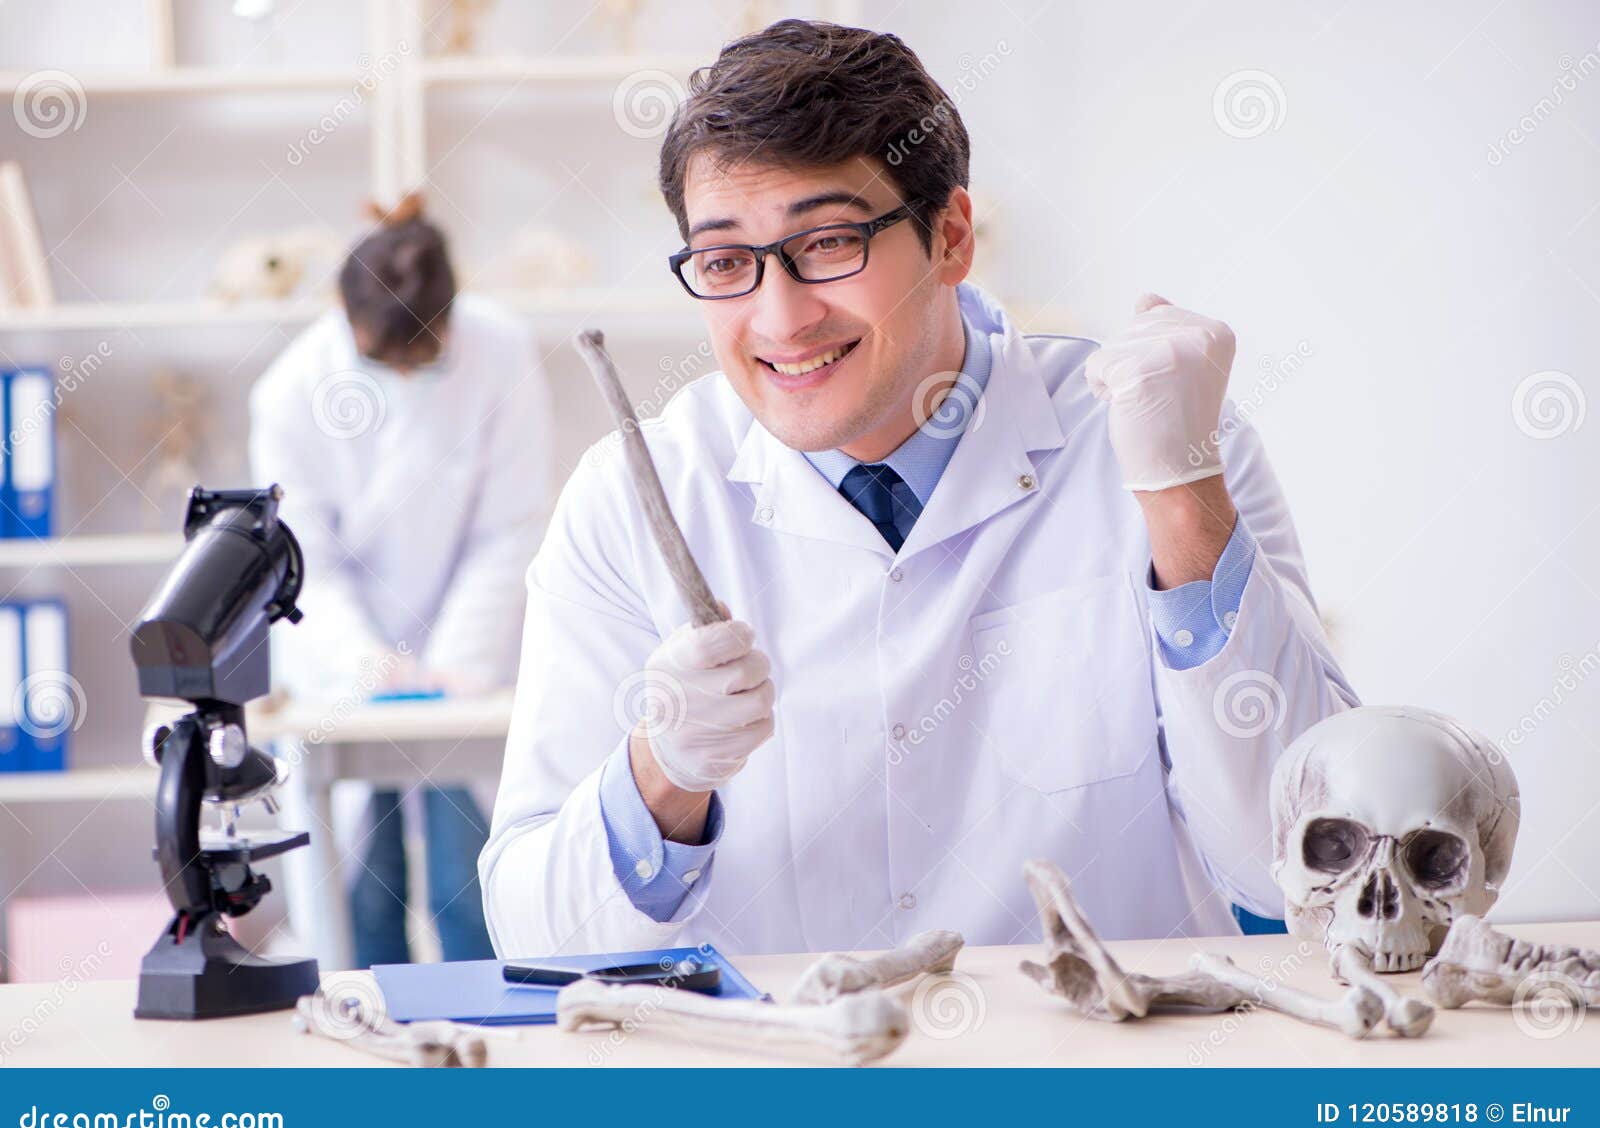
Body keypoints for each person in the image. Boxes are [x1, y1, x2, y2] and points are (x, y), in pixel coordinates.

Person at [481, 21, 1357, 959]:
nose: (781, 318)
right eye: (728, 262)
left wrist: (1182, 498)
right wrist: (662, 773)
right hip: (786, 1082)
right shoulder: (632, 497)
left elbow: (1314, 873)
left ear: (950, 237)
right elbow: (533, 937)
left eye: (827, 243)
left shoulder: (1155, 439)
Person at [249, 195, 552, 966]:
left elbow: (507, 528)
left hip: (465, 668)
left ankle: (492, 1061)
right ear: (344, 319)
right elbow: (304, 561)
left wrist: (455, 662)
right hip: (342, 670)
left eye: (427, 358)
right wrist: (366, 667)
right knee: (364, 892)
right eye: (388, 363)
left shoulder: (502, 352)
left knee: (470, 878)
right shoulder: (289, 392)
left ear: (452, 318)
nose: (410, 375)